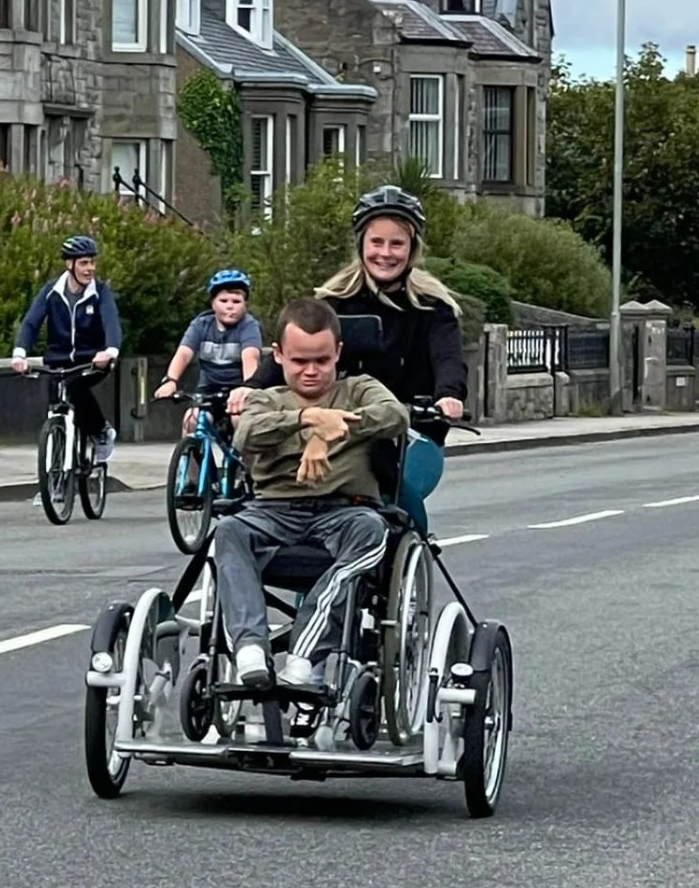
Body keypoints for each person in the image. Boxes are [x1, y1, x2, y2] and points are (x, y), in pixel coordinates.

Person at [228, 185, 467, 531]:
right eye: (376, 242)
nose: (385, 253)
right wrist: (251, 387)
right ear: (361, 245)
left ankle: (410, 551)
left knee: (398, 486)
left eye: (396, 244)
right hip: (335, 424)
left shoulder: (433, 307)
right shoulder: (335, 301)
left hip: (410, 430)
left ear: (412, 249)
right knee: (293, 487)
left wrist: (448, 395)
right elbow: (297, 348)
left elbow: (448, 358)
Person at [217, 296, 410, 691]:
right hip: (272, 512)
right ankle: (251, 648)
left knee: (373, 533)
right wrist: (306, 418)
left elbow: (395, 417)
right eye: (299, 361)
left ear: (338, 353)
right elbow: (246, 435)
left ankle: (303, 654)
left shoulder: (358, 390)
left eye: (321, 361)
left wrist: (332, 428)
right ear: (280, 355)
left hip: (346, 511)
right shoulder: (267, 398)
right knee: (228, 532)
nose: (310, 371)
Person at [11, 234, 121, 465]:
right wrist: (20, 352)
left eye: (92, 262)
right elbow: (31, 322)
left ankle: (101, 431)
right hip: (58, 361)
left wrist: (110, 351)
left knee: (76, 387)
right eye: (83, 263)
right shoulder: (52, 291)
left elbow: (111, 323)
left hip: (91, 361)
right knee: (56, 411)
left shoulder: (100, 293)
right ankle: (56, 483)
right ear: (69, 264)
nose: (89, 268)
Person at [154, 269, 264, 434]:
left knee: (240, 420)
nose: (230, 306)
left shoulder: (248, 326)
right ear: (213, 303)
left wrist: (248, 387)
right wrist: (171, 380)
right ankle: (190, 457)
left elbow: (250, 356)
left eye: (236, 301)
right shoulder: (201, 324)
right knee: (191, 420)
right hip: (208, 391)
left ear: (245, 304)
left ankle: (246, 459)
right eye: (223, 300)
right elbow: (183, 353)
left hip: (238, 389)